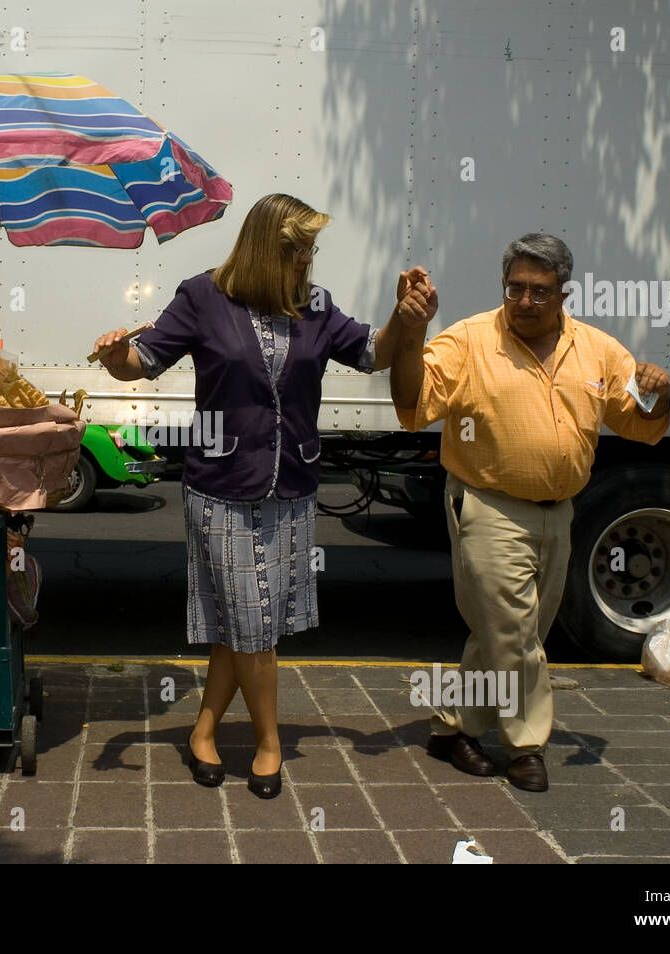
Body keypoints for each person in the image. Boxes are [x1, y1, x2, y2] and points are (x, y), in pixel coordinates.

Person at [92, 193, 437, 797]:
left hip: (292, 487)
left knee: (242, 623)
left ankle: (202, 733)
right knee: (255, 624)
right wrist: (116, 353)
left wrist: (405, 319)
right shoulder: (203, 296)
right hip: (222, 487)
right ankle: (269, 744)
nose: (309, 259)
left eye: (312, 249)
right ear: (267, 248)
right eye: (300, 248)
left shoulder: (315, 305)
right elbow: (139, 363)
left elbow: (371, 353)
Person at [388, 233, 670, 791]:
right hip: (488, 506)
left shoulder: (597, 349)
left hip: (559, 512)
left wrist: (657, 393)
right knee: (516, 637)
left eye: (538, 291)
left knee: (503, 637)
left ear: (563, 293)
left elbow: (640, 426)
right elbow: (412, 408)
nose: (524, 300)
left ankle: (451, 727)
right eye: (514, 287)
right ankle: (526, 747)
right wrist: (412, 333)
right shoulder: (469, 341)